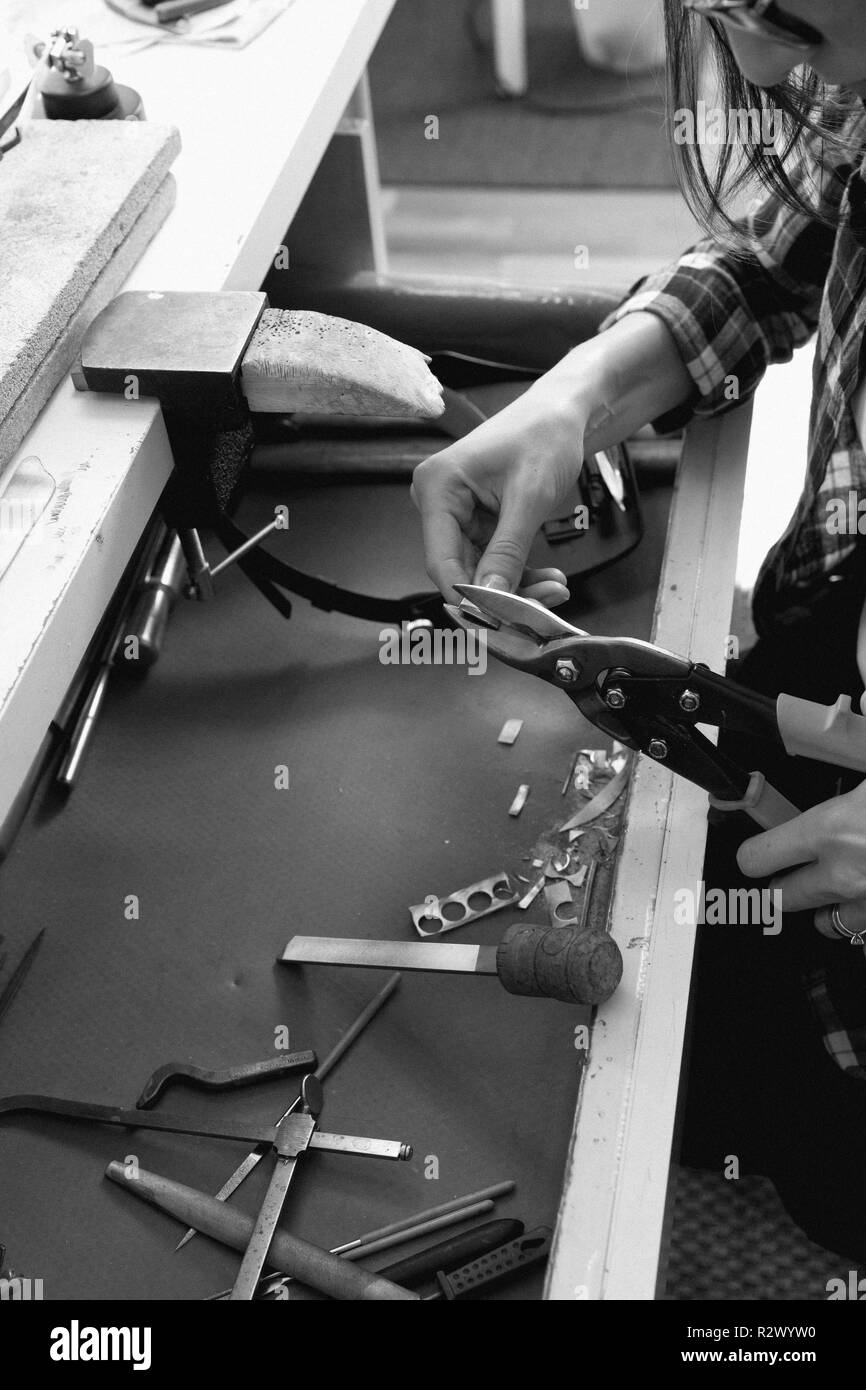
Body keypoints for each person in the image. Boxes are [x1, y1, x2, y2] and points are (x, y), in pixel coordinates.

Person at [412, 1, 866, 1264]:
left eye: (798, 29)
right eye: (726, 12)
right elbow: (784, 246)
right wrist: (579, 395)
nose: (774, 76)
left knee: (833, 1158)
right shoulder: (852, 98)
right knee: (712, 1008)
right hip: (834, 642)